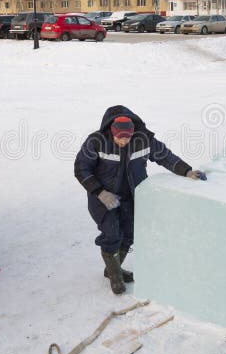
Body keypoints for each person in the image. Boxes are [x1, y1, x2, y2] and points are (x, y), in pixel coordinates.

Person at [74, 105, 205, 295]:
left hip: (131, 196)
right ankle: (116, 277)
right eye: (119, 138)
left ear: (133, 132)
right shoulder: (96, 141)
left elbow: (165, 156)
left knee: (129, 234)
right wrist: (100, 192)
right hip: (103, 198)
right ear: (112, 132)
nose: (123, 141)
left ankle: (112, 269)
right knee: (111, 234)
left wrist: (186, 170)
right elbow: (81, 168)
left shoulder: (143, 140)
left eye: (127, 137)